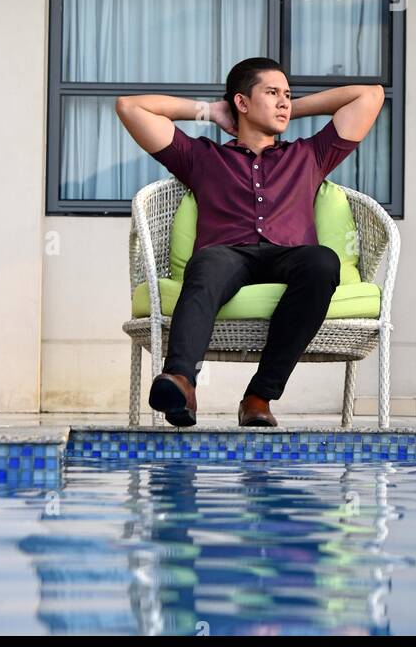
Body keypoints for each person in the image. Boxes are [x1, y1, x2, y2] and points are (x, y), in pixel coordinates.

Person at [115, 58, 384, 428]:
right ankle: (180, 381)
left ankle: (259, 396)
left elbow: (370, 96)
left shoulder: (309, 155)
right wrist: (210, 111)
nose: (284, 102)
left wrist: (288, 110)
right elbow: (130, 107)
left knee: (323, 262)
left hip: (291, 254)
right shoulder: (202, 158)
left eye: (287, 95)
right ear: (241, 103)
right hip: (228, 256)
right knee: (205, 264)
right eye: (272, 93)